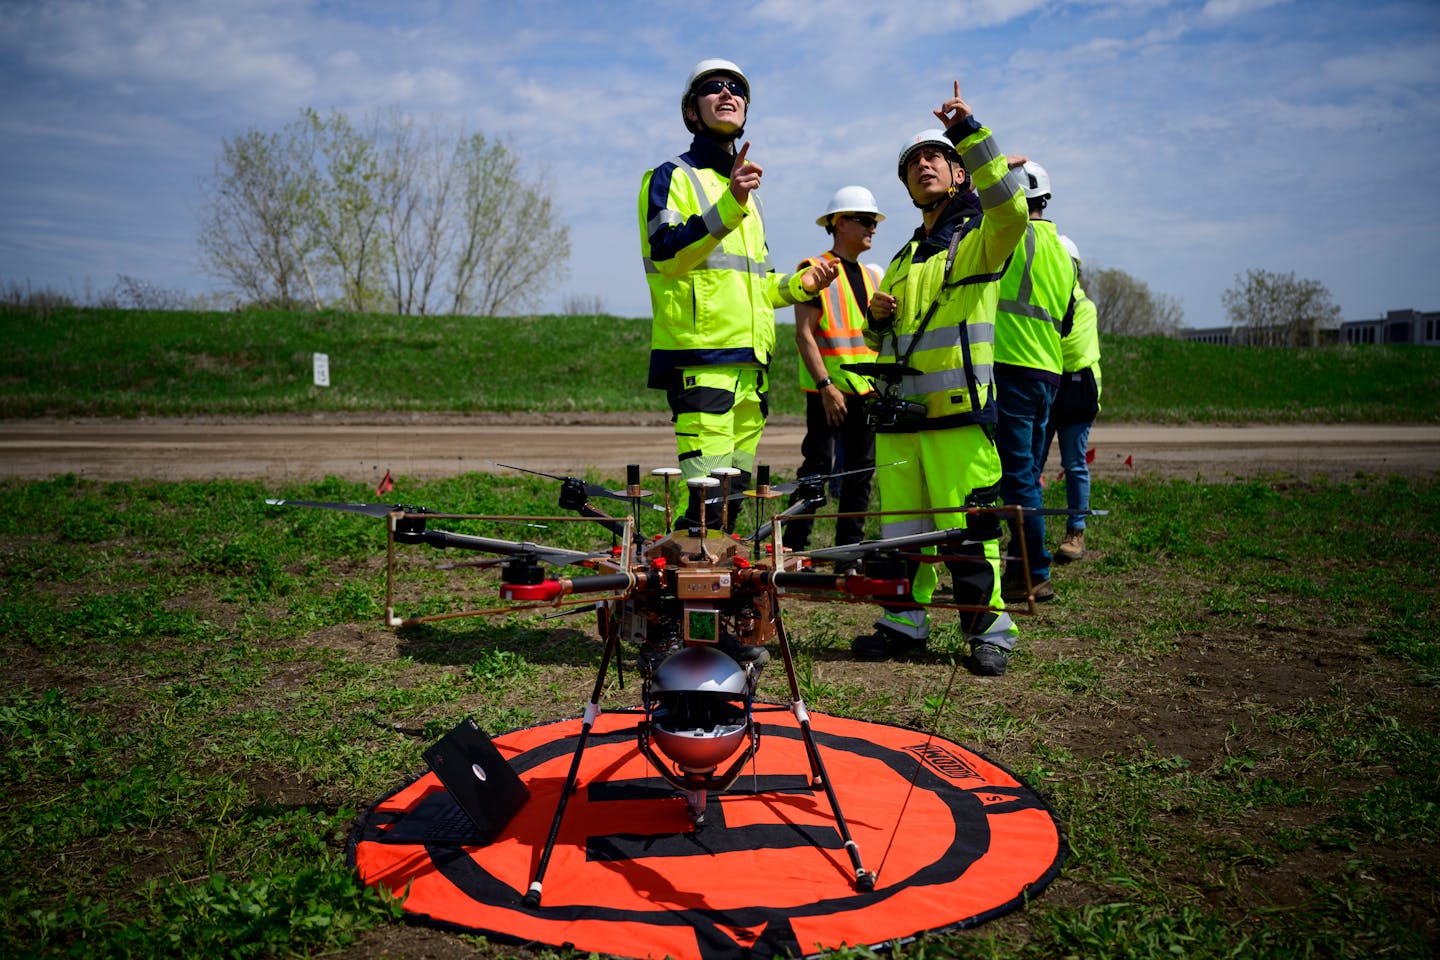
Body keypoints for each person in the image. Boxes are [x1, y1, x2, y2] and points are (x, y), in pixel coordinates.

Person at [851, 80, 1029, 676]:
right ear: (905, 186)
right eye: (912, 163)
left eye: (936, 157)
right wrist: (877, 324)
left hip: (958, 416)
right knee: (901, 533)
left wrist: (968, 132)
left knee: (969, 529)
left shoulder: (980, 238)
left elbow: (1012, 205)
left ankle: (988, 629)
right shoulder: (903, 258)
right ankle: (904, 620)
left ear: (958, 174)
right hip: (901, 423)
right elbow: (891, 345)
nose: (924, 165)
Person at [638, 58, 838, 532]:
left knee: (731, 503)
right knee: (706, 502)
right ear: (691, 112)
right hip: (701, 359)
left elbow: (753, 284)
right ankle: (687, 595)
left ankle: (722, 597)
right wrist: (731, 204)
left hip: (751, 369)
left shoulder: (750, 196)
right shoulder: (671, 177)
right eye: (713, 88)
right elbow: (667, 254)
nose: (727, 93)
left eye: (736, 89)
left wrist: (798, 286)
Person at [992, 160, 1079, 604]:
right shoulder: (1062, 251)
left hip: (1011, 365)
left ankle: (1033, 571)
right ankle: (1019, 566)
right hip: (1048, 371)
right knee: (1027, 473)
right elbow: (1064, 317)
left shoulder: (1013, 235)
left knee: (1017, 478)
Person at [782, 186, 886, 559]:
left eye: (874, 221)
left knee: (860, 473)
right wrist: (826, 385)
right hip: (828, 393)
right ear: (839, 223)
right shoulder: (814, 270)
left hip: (865, 391)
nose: (873, 228)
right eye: (865, 221)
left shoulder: (874, 277)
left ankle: (847, 554)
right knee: (817, 468)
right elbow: (803, 334)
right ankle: (793, 550)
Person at [1043, 234, 1102, 562]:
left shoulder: (1085, 307)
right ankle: (1030, 536)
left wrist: (1037, 345)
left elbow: (1073, 352)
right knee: (1031, 464)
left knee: (1074, 464)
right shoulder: (1040, 305)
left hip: (1076, 394)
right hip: (1044, 386)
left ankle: (1076, 530)